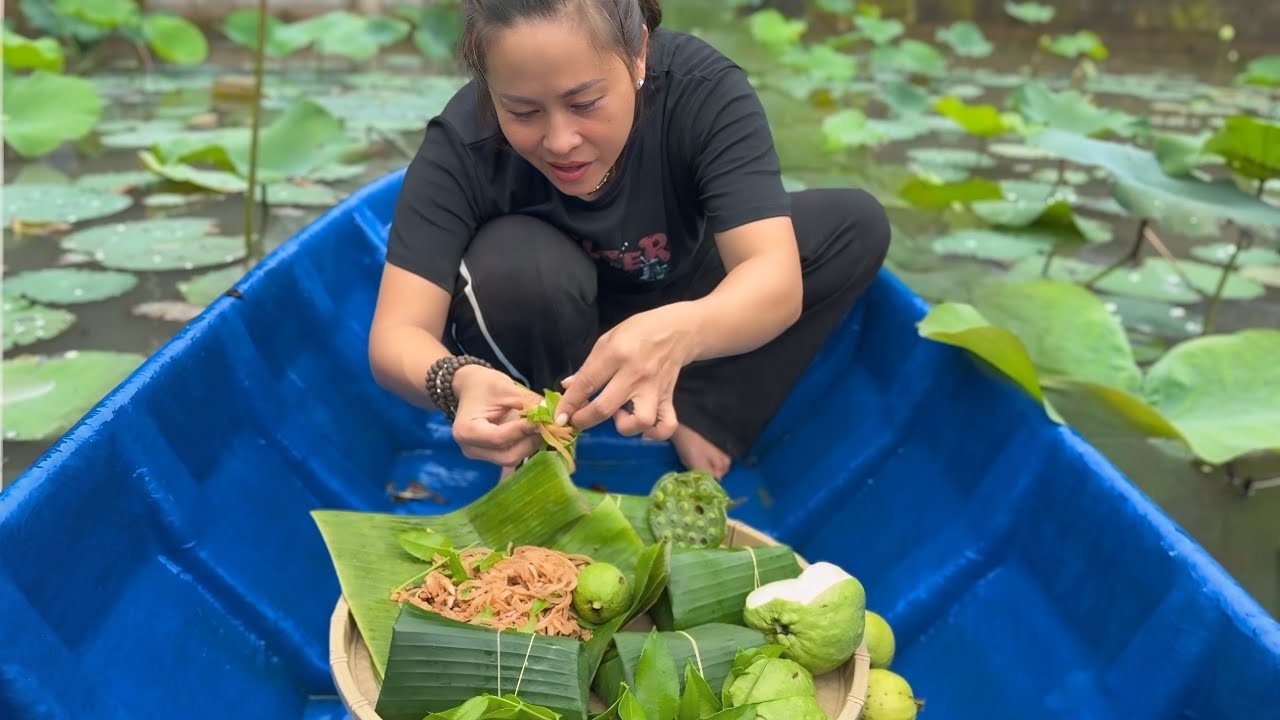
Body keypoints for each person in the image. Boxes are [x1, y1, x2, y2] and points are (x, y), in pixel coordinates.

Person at [368, 0, 890, 481]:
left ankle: (700, 408)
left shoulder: (702, 89)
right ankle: (545, 434)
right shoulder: (465, 142)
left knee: (854, 225)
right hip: (545, 320)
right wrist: (455, 379)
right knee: (511, 264)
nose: (561, 141)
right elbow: (397, 334)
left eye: (586, 102)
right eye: (522, 112)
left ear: (638, 51)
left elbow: (774, 283)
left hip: (676, 290)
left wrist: (679, 331)